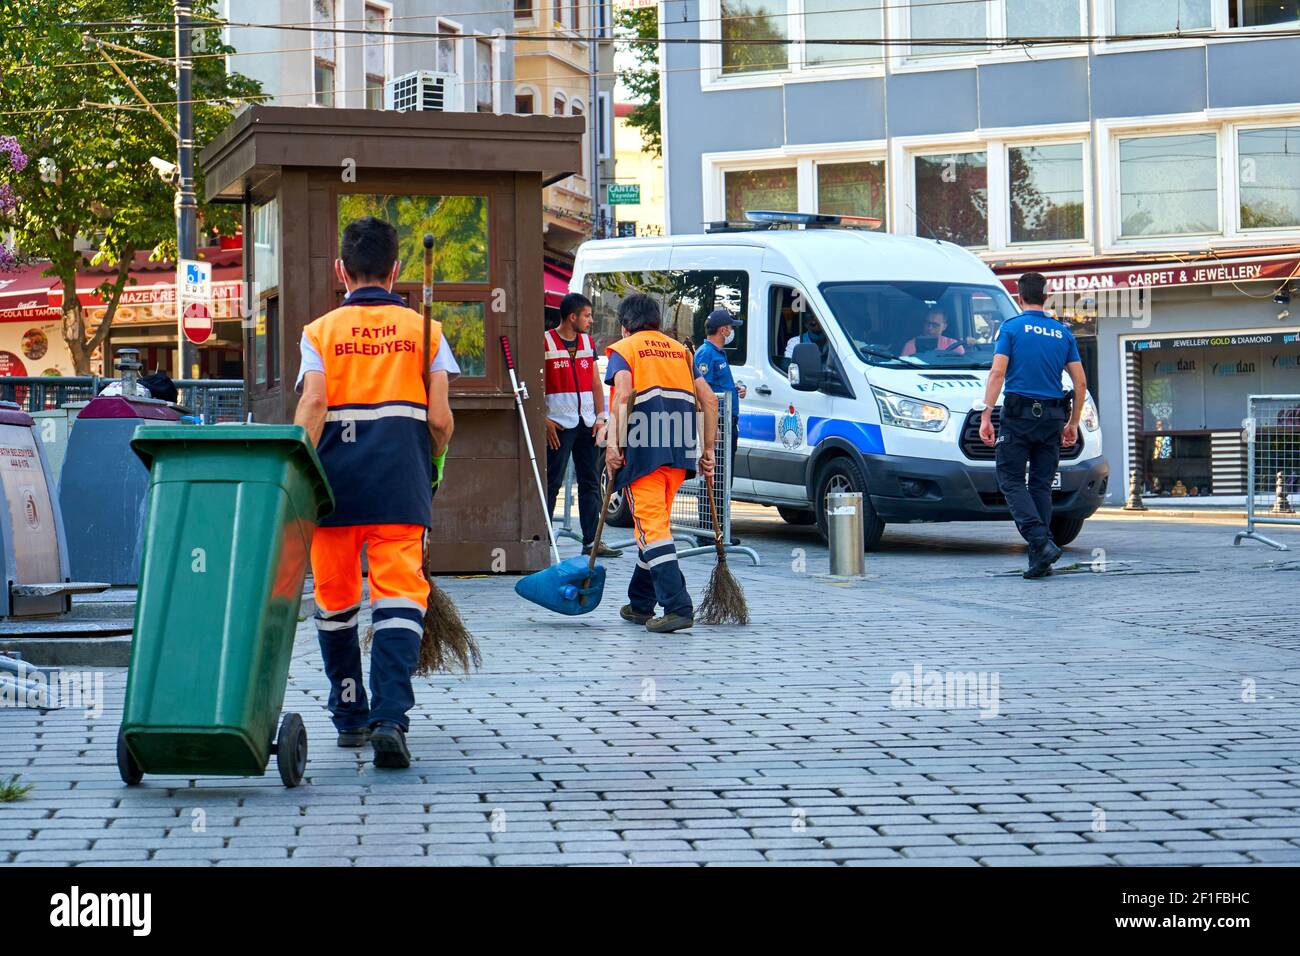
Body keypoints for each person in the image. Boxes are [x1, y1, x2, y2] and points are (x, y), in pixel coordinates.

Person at [294, 216, 458, 768]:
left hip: (334, 490)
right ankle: (391, 716)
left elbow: (314, 407)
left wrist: (296, 466)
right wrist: (432, 466)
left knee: (336, 604)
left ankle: (349, 714)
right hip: (399, 484)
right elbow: (439, 420)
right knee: (399, 600)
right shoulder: (426, 332)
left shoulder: (319, 332)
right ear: (396, 270)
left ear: (340, 270)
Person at [604, 293, 719, 633]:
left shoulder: (624, 350)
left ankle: (678, 606)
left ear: (625, 326)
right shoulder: (680, 351)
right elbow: (709, 400)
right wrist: (708, 449)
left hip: (644, 450)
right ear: (657, 321)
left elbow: (623, 394)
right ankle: (640, 603)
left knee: (651, 528)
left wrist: (613, 444)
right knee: (655, 527)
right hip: (679, 450)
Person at [978, 271, 1086, 579]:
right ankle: (1040, 560)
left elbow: (998, 374)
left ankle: (1041, 540)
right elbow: (1080, 381)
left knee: (1009, 479)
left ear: (1019, 296)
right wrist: (1073, 423)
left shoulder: (1011, 328)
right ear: (1047, 296)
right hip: (1053, 417)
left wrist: (986, 413)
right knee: (1040, 484)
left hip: (1019, 414)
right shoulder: (1062, 333)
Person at [543, 292, 620, 558]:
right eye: (587, 316)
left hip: (588, 423)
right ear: (571, 316)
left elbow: (595, 383)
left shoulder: (587, 342)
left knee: (589, 482)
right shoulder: (545, 341)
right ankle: (542, 540)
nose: (590, 321)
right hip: (559, 425)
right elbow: (533, 381)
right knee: (552, 482)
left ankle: (592, 542)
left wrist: (601, 417)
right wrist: (542, 418)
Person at [694, 308, 746, 543]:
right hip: (718, 421)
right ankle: (708, 529)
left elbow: (719, 387)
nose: (732, 331)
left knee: (724, 476)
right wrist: (712, 426)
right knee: (714, 475)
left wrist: (736, 391)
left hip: (728, 419)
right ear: (723, 329)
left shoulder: (718, 353)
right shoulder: (706, 354)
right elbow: (703, 391)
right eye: (731, 327)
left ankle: (719, 529)